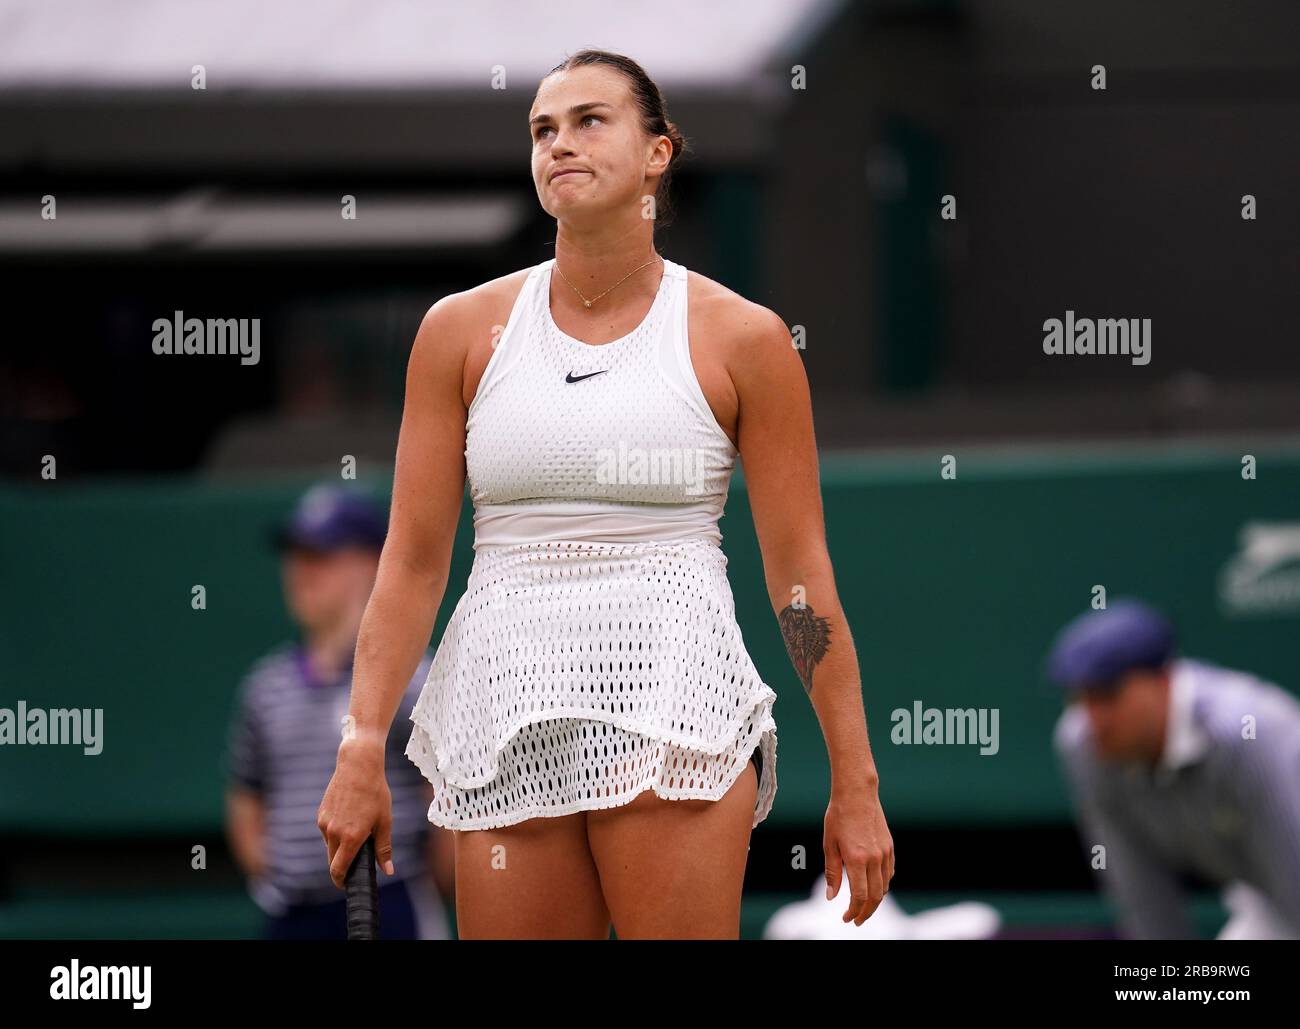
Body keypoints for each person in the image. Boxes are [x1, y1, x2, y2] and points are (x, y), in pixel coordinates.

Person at [317, 48, 893, 939]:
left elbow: (799, 580)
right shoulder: (457, 332)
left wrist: (854, 778)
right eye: (543, 128)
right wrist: (361, 743)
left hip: (675, 709)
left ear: (658, 152)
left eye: (591, 121)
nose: (560, 143)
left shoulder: (745, 338)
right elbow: (413, 561)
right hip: (505, 711)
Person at [223, 483, 453, 939]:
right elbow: (246, 798)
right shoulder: (264, 688)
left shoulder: (417, 678)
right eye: (295, 555)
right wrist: (281, 875)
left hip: (391, 907)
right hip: (290, 916)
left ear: (371, 563)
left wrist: (427, 886)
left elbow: (445, 801)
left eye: (321, 555)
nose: (300, 571)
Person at [1048, 598, 1300, 939]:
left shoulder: (1251, 736)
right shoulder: (1084, 745)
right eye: (1081, 699)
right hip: (1268, 898)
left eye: (1108, 695)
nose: (1095, 720)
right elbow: (1142, 896)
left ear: (1163, 679)